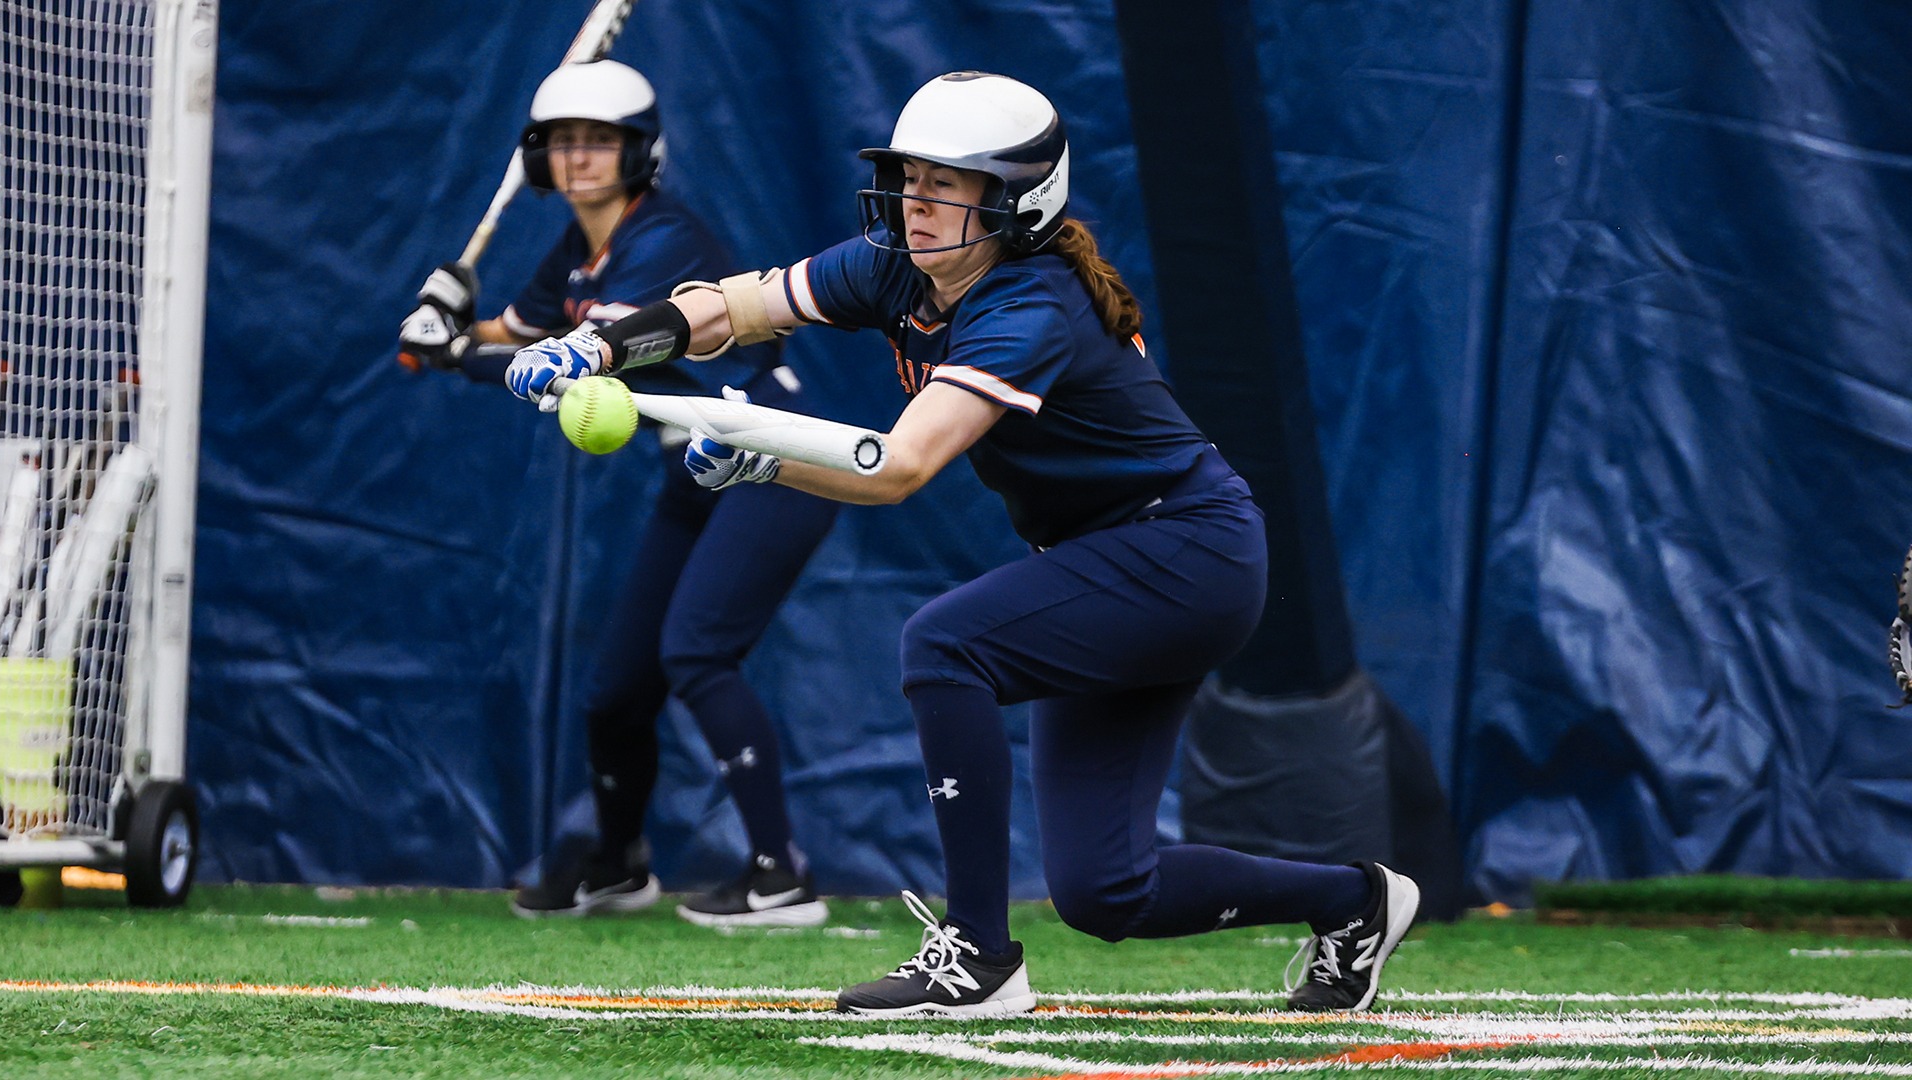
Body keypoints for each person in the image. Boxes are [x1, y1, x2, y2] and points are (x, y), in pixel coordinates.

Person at [501, 71, 1419, 1015]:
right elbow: (734, 307)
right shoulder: (895, 261)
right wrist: (610, 346)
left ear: (1018, 201)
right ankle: (1355, 902)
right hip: (1110, 560)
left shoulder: (1028, 303)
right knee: (1108, 891)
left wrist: (764, 459)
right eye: (910, 178)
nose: (918, 202)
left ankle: (978, 955)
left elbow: (900, 468)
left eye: (950, 184)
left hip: (1189, 551)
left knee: (944, 644)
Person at [396, 59, 837, 929]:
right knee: (615, 689)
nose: (582, 158)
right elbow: (509, 336)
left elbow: (578, 355)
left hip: (772, 460)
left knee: (699, 653)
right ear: (540, 158)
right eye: (564, 142)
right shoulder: (576, 250)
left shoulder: (662, 237)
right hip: (693, 469)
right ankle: (619, 862)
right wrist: (446, 314)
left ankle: (779, 875)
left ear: (641, 153)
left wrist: (458, 355)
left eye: (601, 142)